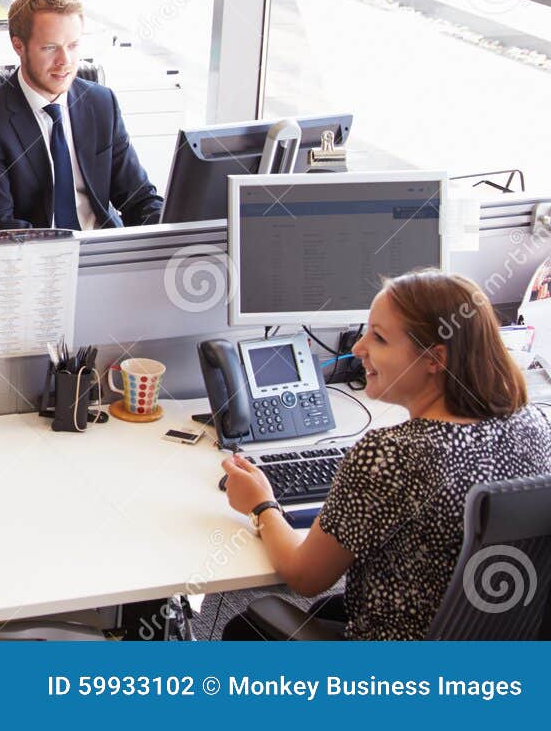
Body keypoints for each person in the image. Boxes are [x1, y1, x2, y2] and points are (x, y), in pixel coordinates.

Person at [220, 270, 551, 640]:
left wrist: (262, 505)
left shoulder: (391, 454)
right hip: (496, 653)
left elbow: (304, 576)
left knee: (246, 629)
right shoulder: (535, 425)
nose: (359, 348)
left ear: (433, 359)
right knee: (327, 610)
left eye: (378, 338)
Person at [0, 0, 162, 232]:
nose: (65, 61)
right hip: (35, 258)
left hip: (104, 248)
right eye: (50, 47)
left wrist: (168, 232)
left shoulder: (101, 103)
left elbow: (138, 198)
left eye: (73, 46)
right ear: (18, 45)